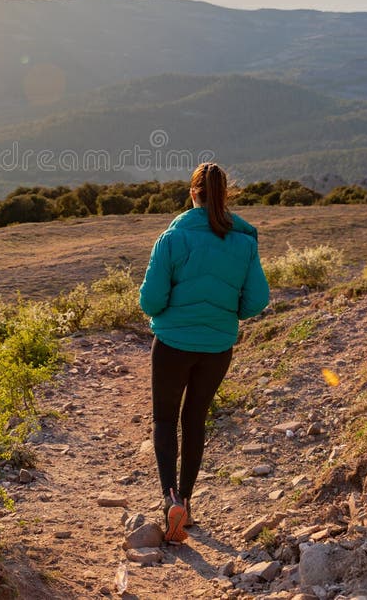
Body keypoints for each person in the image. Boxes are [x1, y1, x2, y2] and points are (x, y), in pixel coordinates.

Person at [139, 162, 270, 542]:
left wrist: (172, 312)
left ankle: (170, 501)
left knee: (164, 422)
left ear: (193, 194)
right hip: (217, 348)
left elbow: (150, 301)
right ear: (225, 197)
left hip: (172, 345)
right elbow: (257, 300)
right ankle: (188, 504)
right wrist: (226, 315)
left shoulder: (172, 239)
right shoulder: (244, 243)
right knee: (193, 420)